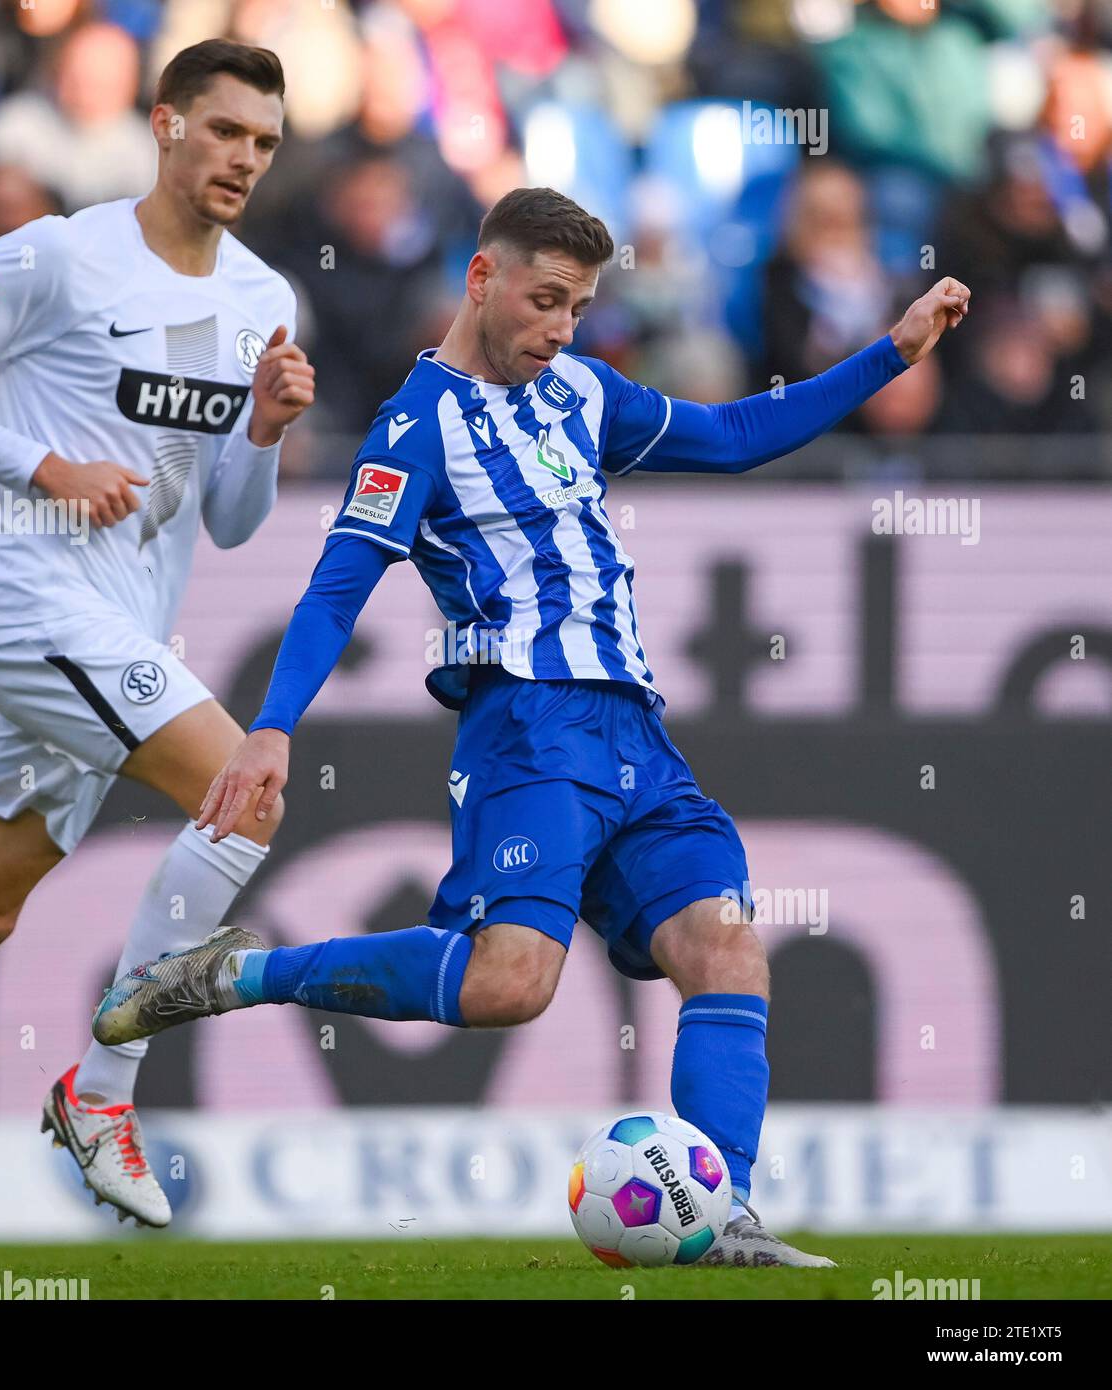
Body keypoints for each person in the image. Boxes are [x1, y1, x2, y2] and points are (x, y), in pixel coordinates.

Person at [93, 186, 969, 1265]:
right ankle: (236, 975)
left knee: (730, 950)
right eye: (545, 300)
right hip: (529, 725)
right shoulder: (417, 426)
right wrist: (272, 725)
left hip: (639, 734)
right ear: (481, 277)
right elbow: (337, 586)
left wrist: (892, 350)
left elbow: (738, 434)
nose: (561, 327)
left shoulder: (581, 393)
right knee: (510, 982)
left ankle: (723, 1209)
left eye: (579, 304)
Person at [0, 39, 314, 1230]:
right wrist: (43, 464)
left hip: (119, 625)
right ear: (164, 126)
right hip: (34, 610)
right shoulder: (59, 253)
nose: (243, 159)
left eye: (262, 142)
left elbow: (232, 520)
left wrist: (259, 431)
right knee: (244, 785)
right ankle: (104, 1086)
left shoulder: (261, 299)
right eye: (223, 131)